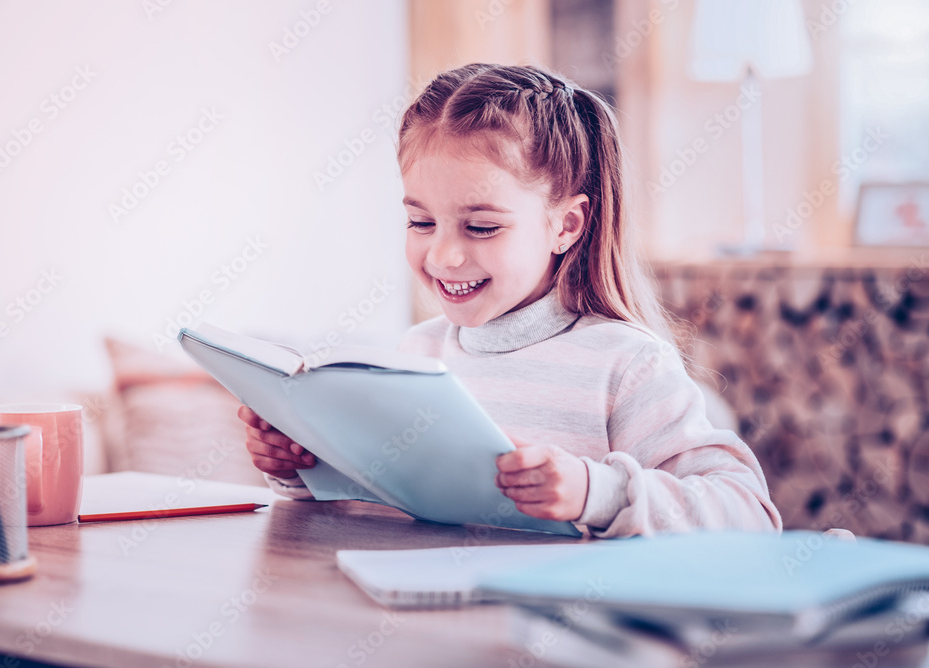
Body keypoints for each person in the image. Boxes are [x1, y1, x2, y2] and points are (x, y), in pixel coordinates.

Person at [237, 63, 782, 537]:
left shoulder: (624, 365)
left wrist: (599, 491)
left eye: (481, 227)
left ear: (566, 225)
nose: (444, 255)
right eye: (421, 222)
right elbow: (379, 503)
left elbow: (748, 514)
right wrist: (300, 467)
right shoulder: (417, 353)